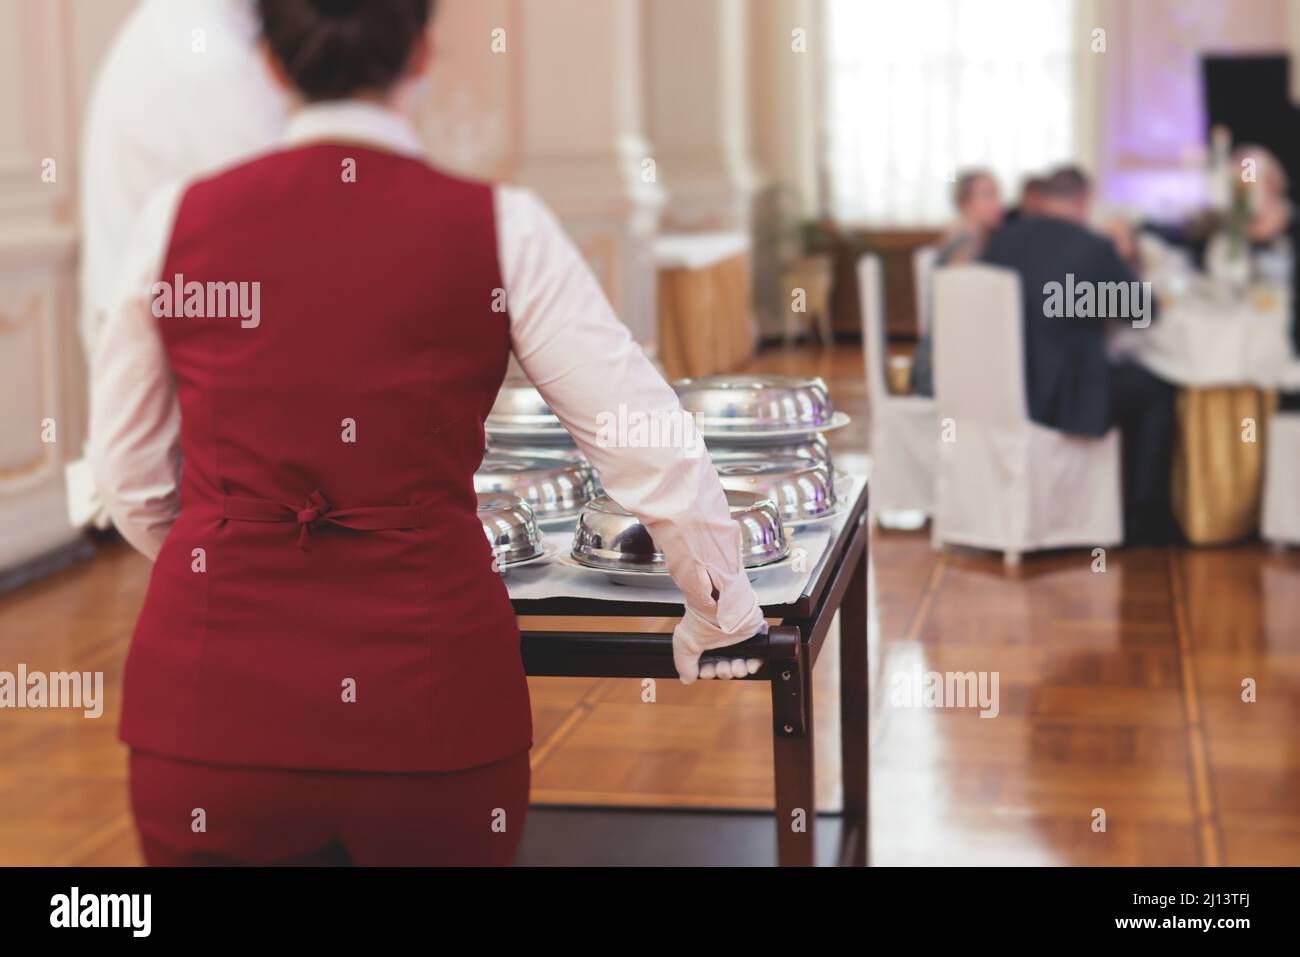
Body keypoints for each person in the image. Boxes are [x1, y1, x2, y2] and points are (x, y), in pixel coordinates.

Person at [89, 0, 766, 866]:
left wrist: (225, 555)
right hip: (432, 715)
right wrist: (723, 611)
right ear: (424, 49)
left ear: (270, 63)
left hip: (209, 716)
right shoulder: (502, 225)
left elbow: (131, 478)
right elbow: (643, 435)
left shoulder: (173, 221)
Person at [69, 0, 289, 529]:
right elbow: (297, 226)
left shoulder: (180, 30)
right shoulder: (209, 57)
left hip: (161, 364)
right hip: (190, 383)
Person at [979, 167, 1178, 545]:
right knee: (1157, 389)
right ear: (1084, 201)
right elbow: (1142, 312)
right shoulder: (1091, 246)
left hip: (1001, 386)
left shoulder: (1002, 242)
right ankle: (1144, 516)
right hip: (1062, 393)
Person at [913, 169, 1004, 396]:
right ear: (964, 202)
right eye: (987, 195)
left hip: (954, 362)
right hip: (943, 372)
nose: (998, 203)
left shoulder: (974, 240)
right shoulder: (964, 247)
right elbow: (965, 323)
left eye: (997, 194)